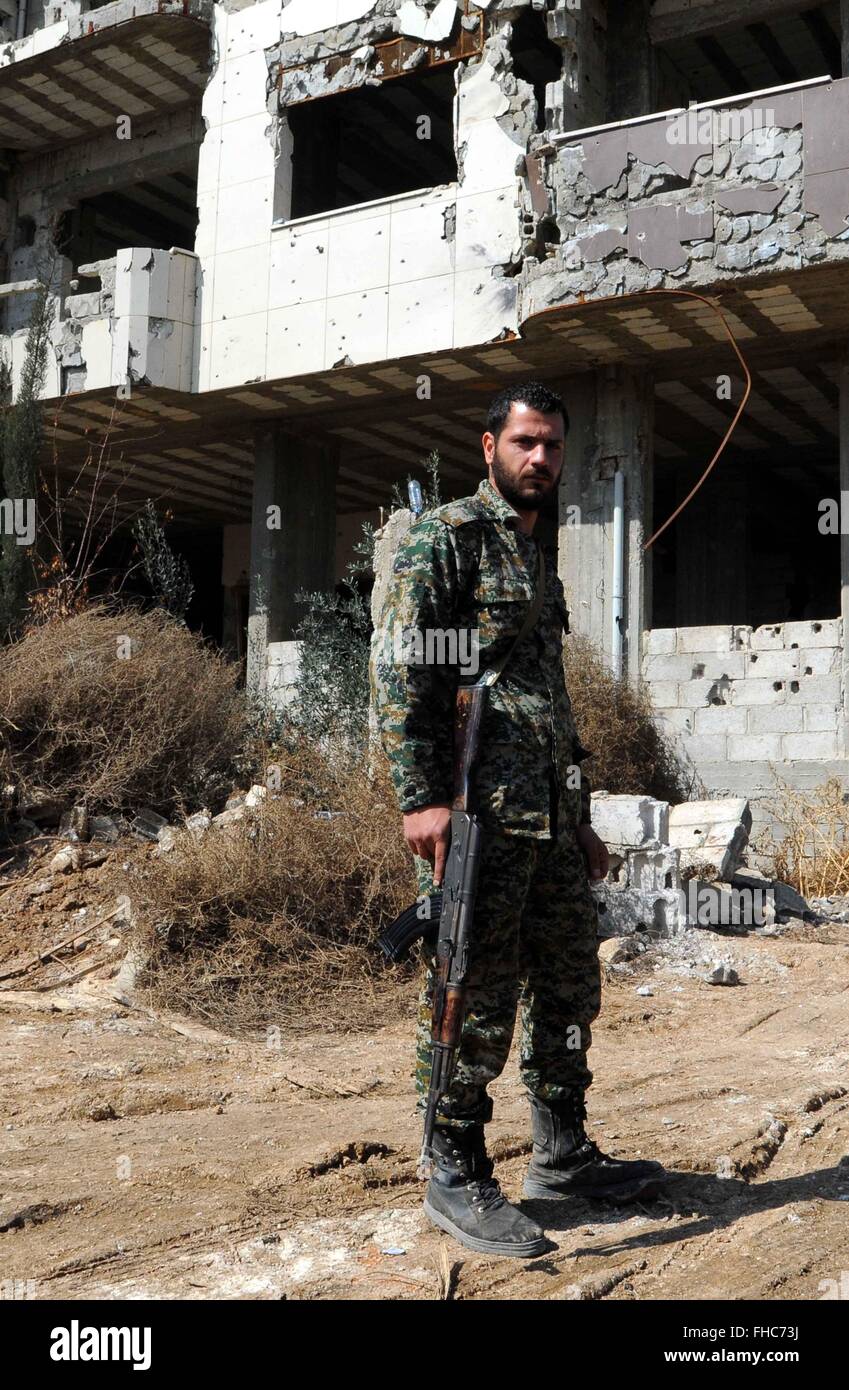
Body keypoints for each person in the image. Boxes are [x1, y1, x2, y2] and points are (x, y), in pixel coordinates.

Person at [371, 382, 666, 1258]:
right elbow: (406, 674)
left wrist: (578, 816)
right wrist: (420, 798)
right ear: (489, 446)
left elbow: (549, 701)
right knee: (475, 992)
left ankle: (562, 1154)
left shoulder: (538, 554)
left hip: (547, 820)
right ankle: (453, 1167)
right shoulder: (448, 539)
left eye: (552, 445)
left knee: (570, 986)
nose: (539, 458)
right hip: (478, 818)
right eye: (524, 442)